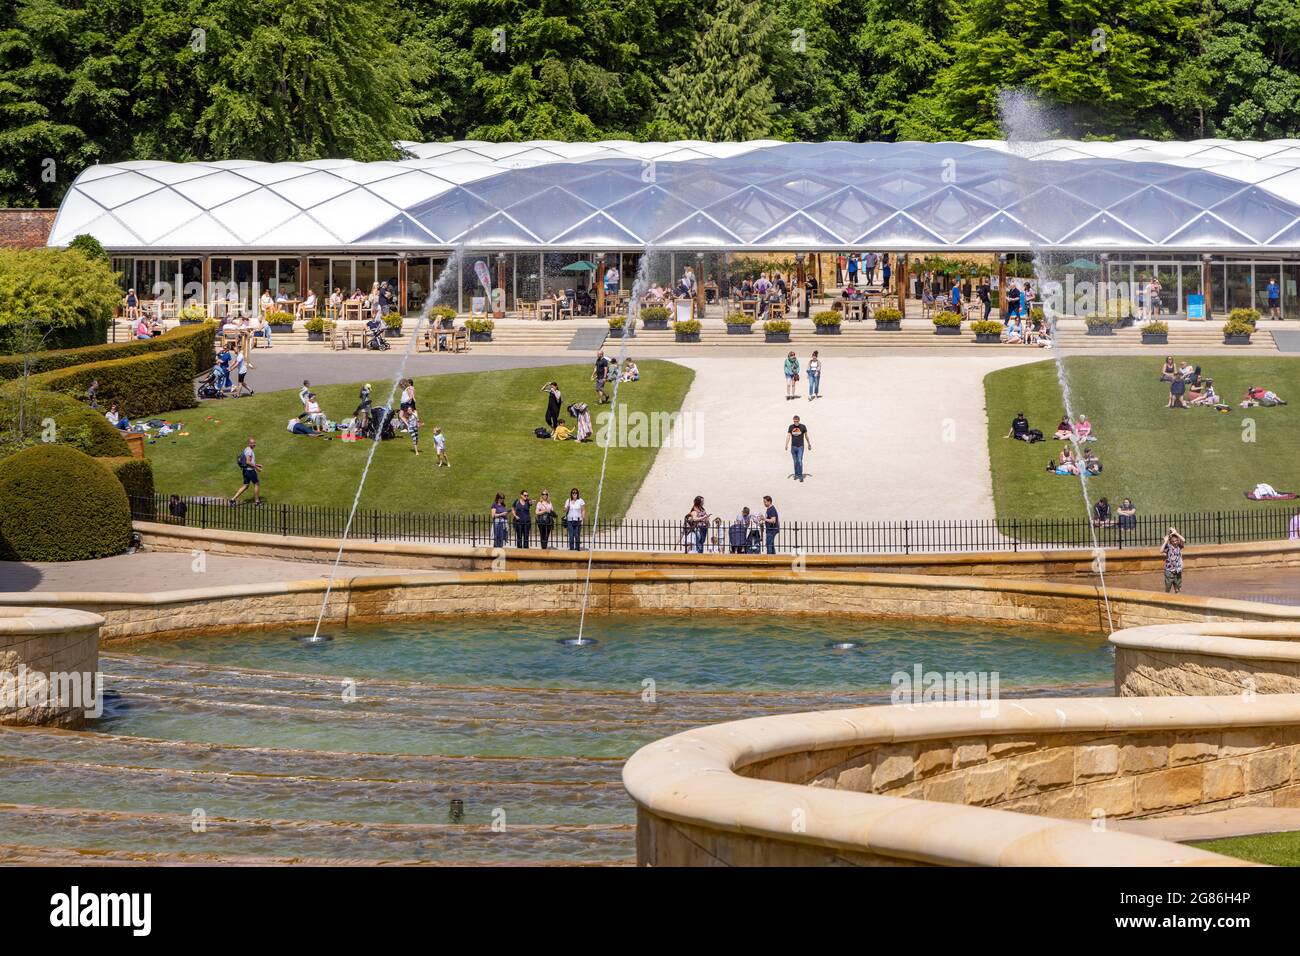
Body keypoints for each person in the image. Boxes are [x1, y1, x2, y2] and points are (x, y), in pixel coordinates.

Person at [231, 437, 262, 506]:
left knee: (246, 485)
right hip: (250, 471)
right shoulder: (249, 451)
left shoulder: (246, 449)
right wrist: (256, 467)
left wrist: (257, 464)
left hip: (245, 470)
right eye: (253, 443)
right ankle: (257, 502)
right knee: (256, 484)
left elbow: (247, 461)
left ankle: (233, 500)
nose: (254, 444)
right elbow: (248, 462)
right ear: (249, 443)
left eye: (255, 443)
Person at [786, 415, 810, 482]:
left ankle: (800, 476)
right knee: (795, 461)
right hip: (793, 447)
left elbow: (806, 436)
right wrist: (786, 444)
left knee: (799, 460)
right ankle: (796, 474)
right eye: (794, 421)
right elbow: (788, 436)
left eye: (796, 421)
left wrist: (809, 444)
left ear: (799, 420)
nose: (795, 422)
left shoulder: (803, 426)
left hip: (800, 447)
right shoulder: (791, 427)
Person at [1161, 527, 1185, 593]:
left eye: (1176, 540)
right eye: (1173, 541)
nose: (1175, 542)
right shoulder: (1168, 547)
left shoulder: (1179, 546)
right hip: (1169, 571)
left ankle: (1177, 600)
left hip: (1177, 570)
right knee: (1168, 588)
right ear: (1170, 541)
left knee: (1178, 589)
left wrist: (1176, 533)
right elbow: (1161, 550)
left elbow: (1183, 540)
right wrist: (1165, 541)